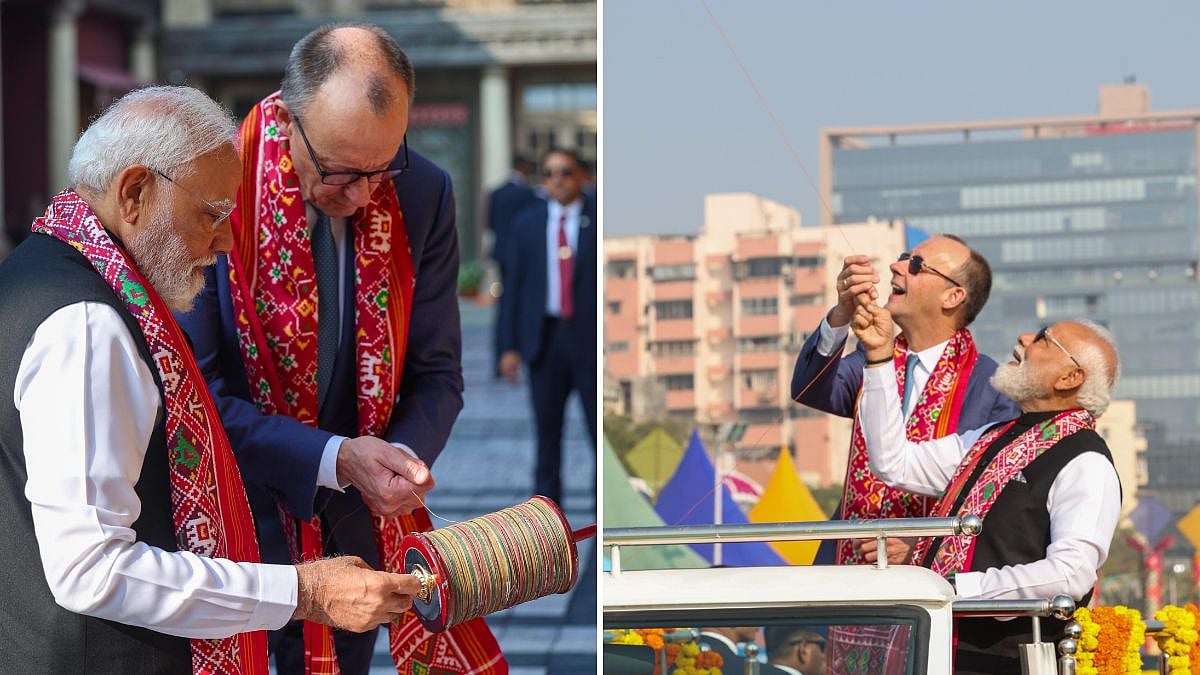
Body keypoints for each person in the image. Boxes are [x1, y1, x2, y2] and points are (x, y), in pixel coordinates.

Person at [0, 85, 420, 673]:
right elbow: (91, 569)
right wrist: (303, 592)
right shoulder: (88, 324)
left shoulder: (52, 265)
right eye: (213, 214)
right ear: (135, 192)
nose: (224, 242)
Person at [176, 24, 501, 675]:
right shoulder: (214, 181)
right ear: (288, 118)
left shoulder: (422, 190)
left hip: (356, 535)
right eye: (339, 172)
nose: (362, 196)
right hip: (231, 523)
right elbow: (196, 394)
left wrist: (398, 462)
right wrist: (334, 456)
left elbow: (438, 372)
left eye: (383, 168)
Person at [852, 303, 1121, 674]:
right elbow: (894, 464)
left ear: (1069, 377)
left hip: (1007, 661)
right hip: (945, 648)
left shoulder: (1086, 460)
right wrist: (880, 359)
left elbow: (1070, 574)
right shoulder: (991, 438)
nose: (1024, 339)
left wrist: (950, 589)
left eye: (1044, 339)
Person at [790, 235, 1019, 566]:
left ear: (953, 296)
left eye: (915, 265)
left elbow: (990, 500)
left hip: (924, 579)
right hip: (847, 563)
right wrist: (842, 314)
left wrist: (922, 541)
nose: (896, 267)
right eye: (902, 257)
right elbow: (808, 389)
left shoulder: (991, 387)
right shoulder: (871, 360)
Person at [497, 148, 597, 507]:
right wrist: (507, 348)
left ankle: (602, 524)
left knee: (596, 439)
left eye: (566, 171)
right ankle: (549, 530)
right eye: (550, 172)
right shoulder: (527, 223)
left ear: (581, 176)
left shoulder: (597, 217)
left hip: (587, 342)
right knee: (547, 439)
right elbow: (513, 290)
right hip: (544, 341)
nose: (557, 179)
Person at [487, 155, 539, 375]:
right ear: (525, 167)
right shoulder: (527, 194)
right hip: (521, 258)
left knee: (505, 305)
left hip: (502, 255)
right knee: (515, 304)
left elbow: (489, 223)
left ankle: (501, 356)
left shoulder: (496, 193)